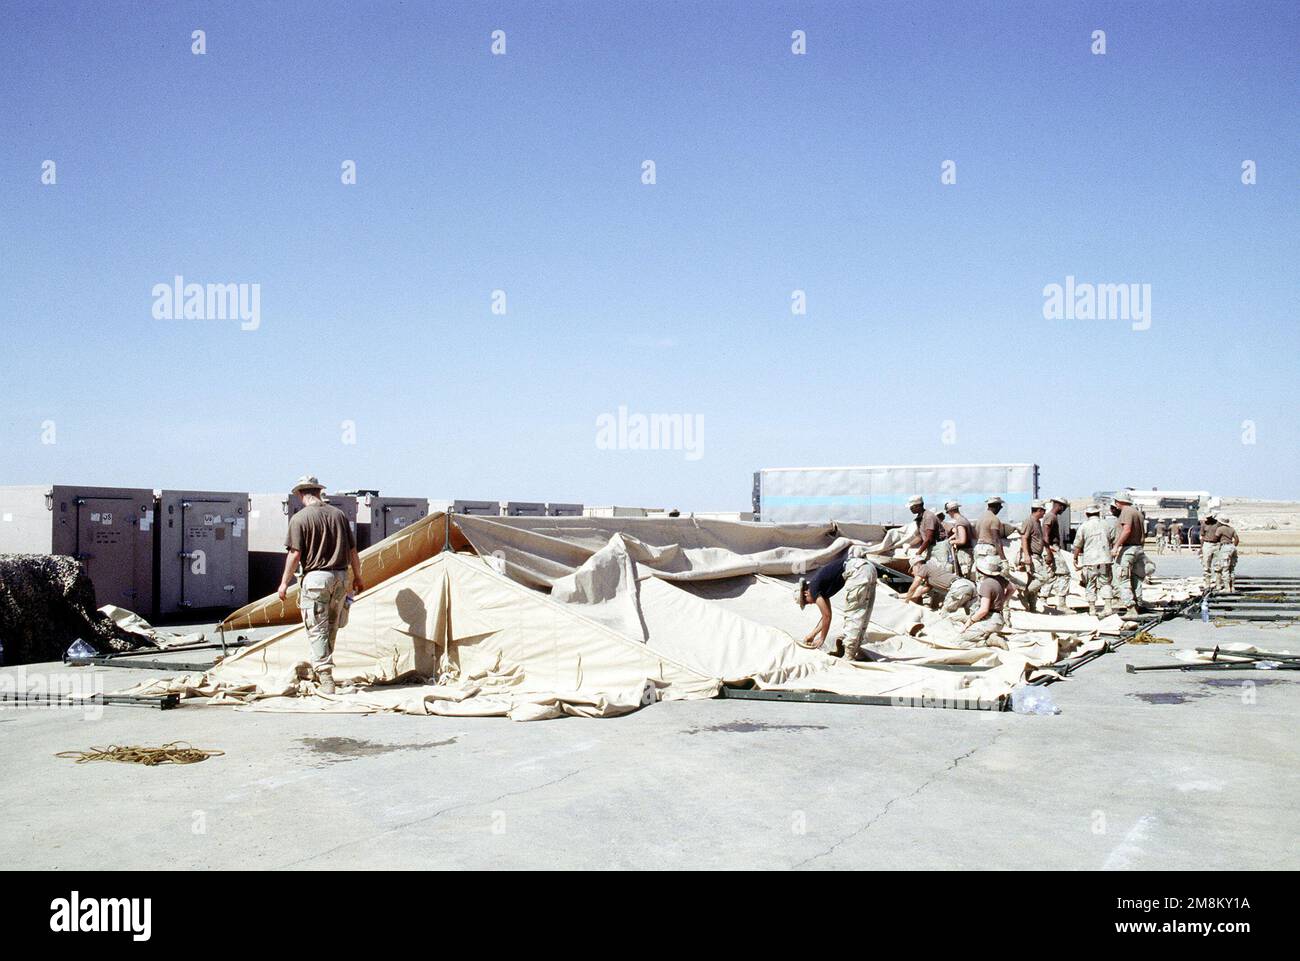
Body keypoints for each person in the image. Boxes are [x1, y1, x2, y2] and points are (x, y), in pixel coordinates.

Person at [277, 475, 364, 694]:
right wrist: (358, 577)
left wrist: (284, 583)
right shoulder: (339, 515)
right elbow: (353, 551)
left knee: (317, 628)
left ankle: (325, 677)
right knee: (332, 626)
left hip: (316, 578)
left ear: (300, 494)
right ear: (318, 492)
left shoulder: (299, 519)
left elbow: (295, 554)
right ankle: (323, 670)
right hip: (341, 577)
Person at [794, 546, 878, 661]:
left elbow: (827, 616)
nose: (811, 604)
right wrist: (812, 635)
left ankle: (849, 655)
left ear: (805, 594)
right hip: (867, 567)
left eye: (807, 603)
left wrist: (822, 638)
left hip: (857, 571)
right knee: (864, 612)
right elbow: (826, 616)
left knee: (854, 614)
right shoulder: (819, 587)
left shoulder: (813, 589)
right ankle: (854, 649)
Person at [955, 556, 1012, 647]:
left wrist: (969, 623)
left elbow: (983, 610)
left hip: (990, 619)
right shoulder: (1000, 579)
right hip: (998, 619)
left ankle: (988, 641)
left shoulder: (986, 584)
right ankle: (990, 635)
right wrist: (1003, 600)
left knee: (960, 640)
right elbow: (1012, 588)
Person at [1072, 505, 1115, 617]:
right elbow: (1113, 540)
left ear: (1087, 514)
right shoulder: (1106, 525)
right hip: (1104, 559)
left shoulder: (1084, 526)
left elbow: (1077, 544)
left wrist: (1075, 557)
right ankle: (1108, 607)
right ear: (1099, 514)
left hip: (1090, 561)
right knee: (1105, 583)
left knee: (1090, 584)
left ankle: (1092, 609)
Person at [1110, 492, 1147, 616]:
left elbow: (1127, 530)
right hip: (1138, 548)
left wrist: (1116, 546)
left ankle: (1130, 608)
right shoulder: (1137, 513)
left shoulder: (1126, 511)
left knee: (1122, 578)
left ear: (1119, 502)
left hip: (1128, 549)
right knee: (1136, 578)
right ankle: (1138, 603)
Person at [904, 558, 977, 614]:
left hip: (959, 586)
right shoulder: (932, 574)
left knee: (945, 614)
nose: (912, 573)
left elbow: (913, 587)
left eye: (912, 570)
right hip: (968, 585)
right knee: (970, 612)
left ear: (916, 565)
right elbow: (918, 592)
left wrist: (906, 602)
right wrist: (899, 596)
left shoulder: (924, 567)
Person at [1042, 496, 1072, 610]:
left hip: (1051, 548)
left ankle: (1043, 599)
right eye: (1063, 507)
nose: (1063, 510)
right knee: (1065, 574)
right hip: (1052, 548)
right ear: (1060, 506)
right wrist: (1049, 551)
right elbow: (1046, 535)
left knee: (1051, 574)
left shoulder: (1051, 516)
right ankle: (1061, 603)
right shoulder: (1050, 517)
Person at [1019, 500, 1050, 612]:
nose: (1044, 513)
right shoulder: (1029, 521)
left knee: (1033, 582)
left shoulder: (1037, 522)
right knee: (1043, 578)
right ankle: (1025, 594)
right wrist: (1027, 556)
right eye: (1043, 510)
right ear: (1039, 510)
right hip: (1032, 556)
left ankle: (1032, 607)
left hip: (1037, 555)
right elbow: (1024, 538)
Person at [907, 495, 945, 565]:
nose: (910, 509)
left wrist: (918, 553)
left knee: (939, 570)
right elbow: (921, 536)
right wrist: (909, 545)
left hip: (939, 548)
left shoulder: (928, 517)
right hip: (932, 548)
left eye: (912, 507)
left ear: (918, 506)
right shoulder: (920, 518)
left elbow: (928, 538)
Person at [943, 500, 975, 578]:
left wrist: (950, 542)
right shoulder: (963, 520)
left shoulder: (960, 522)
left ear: (950, 511)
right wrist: (953, 537)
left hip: (964, 554)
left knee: (965, 577)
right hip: (967, 552)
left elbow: (962, 540)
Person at [975, 496, 1007, 560]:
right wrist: (1003, 559)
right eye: (1000, 506)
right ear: (997, 506)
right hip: (989, 551)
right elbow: (996, 540)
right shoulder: (994, 519)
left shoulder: (980, 519)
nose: (1001, 507)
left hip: (978, 549)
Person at [1214, 516, 1240, 592]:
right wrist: (1233, 546)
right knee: (1232, 569)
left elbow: (1216, 538)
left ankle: (1227, 588)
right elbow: (1237, 539)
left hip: (1225, 547)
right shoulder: (1232, 529)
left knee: (1225, 569)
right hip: (1232, 547)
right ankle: (1232, 587)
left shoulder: (1220, 529)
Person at [1199, 513, 1221, 590]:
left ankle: (1218, 584)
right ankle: (1207, 584)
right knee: (1206, 565)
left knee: (1218, 565)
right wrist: (1201, 548)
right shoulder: (1204, 524)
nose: (1207, 519)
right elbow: (1202, 536)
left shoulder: (1218, 524)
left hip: (1217, 544)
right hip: (1207, 544)